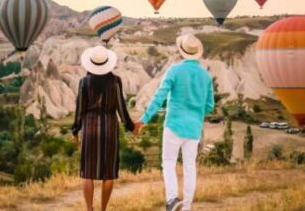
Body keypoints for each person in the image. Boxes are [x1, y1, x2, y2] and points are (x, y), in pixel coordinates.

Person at [139, 34, 214, 211]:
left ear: (182, 51)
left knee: (168, 162)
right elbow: (210, 106)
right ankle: (186, 206)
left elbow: (159, 97)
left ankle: (172, 200)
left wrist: (144, 119)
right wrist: (196, 112)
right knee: (190, 167)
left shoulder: (174, 70)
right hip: (194, 129)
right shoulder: (206, 76)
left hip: (173, 126)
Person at [72, 45, 137, 211]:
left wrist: (75, 130)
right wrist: (131, 127)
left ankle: (89, 209)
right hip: (110, 128)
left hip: (89, 127)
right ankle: (103, 209)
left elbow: (80, 109)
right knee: (108, 173)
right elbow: (121, 108)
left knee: (88, 172)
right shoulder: (116, 81)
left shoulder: (84, 82)